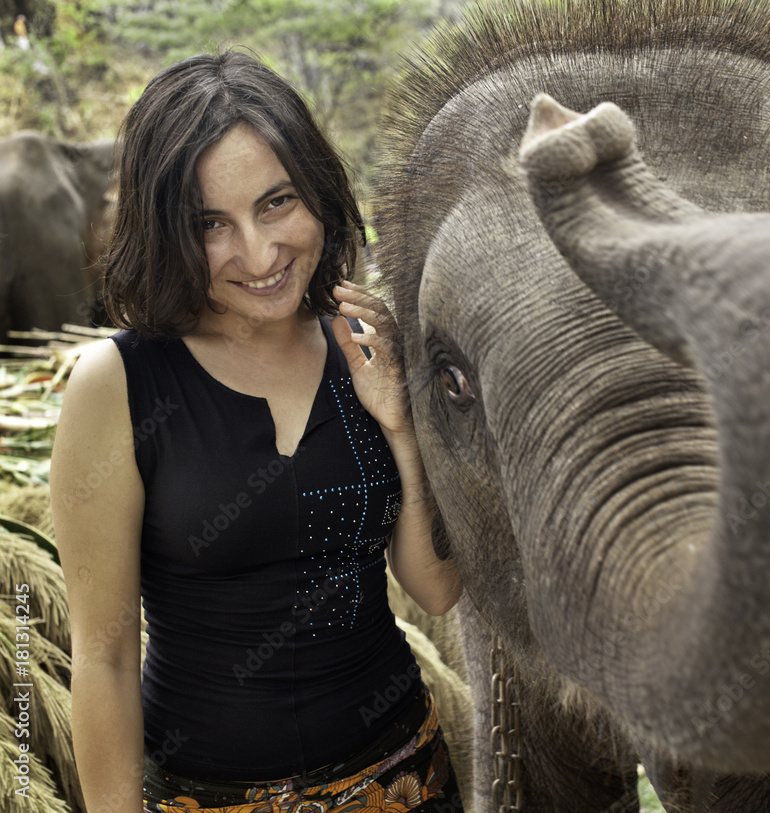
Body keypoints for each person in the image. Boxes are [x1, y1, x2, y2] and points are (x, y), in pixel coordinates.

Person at [50, 50, 464, 813]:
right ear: (165, 228)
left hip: (403, 781)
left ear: (316, 190)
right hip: (204, 798)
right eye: (212, 223)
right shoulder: (118, 386)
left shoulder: (365, 347)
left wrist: (401, 426)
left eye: (277, 203)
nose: (260, 252)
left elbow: (436, 588)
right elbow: (103, 657)